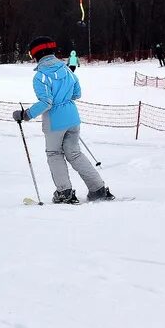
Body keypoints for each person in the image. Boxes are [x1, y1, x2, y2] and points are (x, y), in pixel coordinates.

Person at [13, 36, 114, 204]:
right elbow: (77, 94)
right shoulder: (67, 69)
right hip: (73, 118)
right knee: (74, 153)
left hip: (55, 122)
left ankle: (64, 192)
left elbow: (47, 102)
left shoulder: (41, 76)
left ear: (37, 55)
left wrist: (26, 114)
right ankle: (98, 188)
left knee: (54, 154)